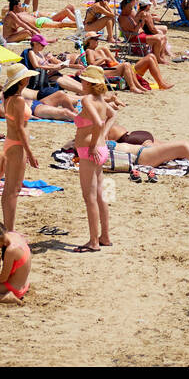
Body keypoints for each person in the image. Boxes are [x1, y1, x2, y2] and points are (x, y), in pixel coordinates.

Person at [72, 66, 117, 252]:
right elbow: (112, 115)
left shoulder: (88, 99)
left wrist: (92, 144)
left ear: (89, 83)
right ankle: (105, 236)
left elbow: (98, 122)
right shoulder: (100, 99)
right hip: (101, 148)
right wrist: (103, 136)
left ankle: (93, 241)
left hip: (89, 151)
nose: (81, 82)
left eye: (83, 80)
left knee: (89, 197)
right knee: (101, 195)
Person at [0, 66, 39, 231]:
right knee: (13, 190)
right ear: (22, 80)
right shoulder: (18, 100)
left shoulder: (9, 98)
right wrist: (30, 152)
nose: (28, 79)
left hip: (11, 143)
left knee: (9, 189)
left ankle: (8, 227)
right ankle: (10, 230)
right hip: (17, 145)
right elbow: (21, 129)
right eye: (26, 77)